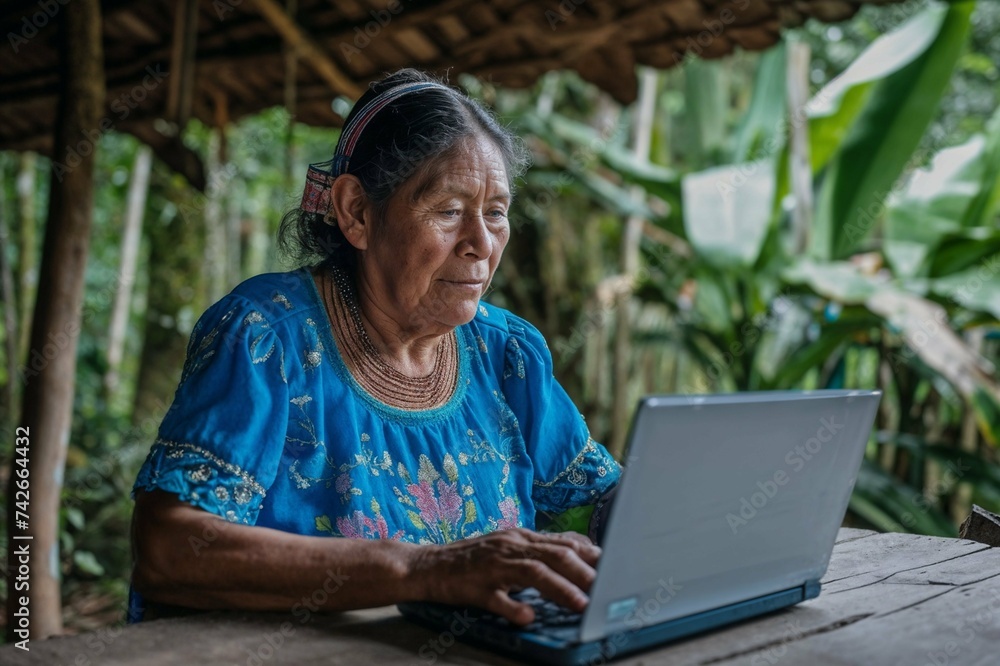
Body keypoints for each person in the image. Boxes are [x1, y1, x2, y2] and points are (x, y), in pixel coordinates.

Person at [129, 68, 621, 627]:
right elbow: (169, 549)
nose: (481, 244)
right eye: (448, 210)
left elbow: (596, 505)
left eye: (495, 213)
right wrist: (422, 570)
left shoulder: (506, 354)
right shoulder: (265, 340)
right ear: (357, 212)